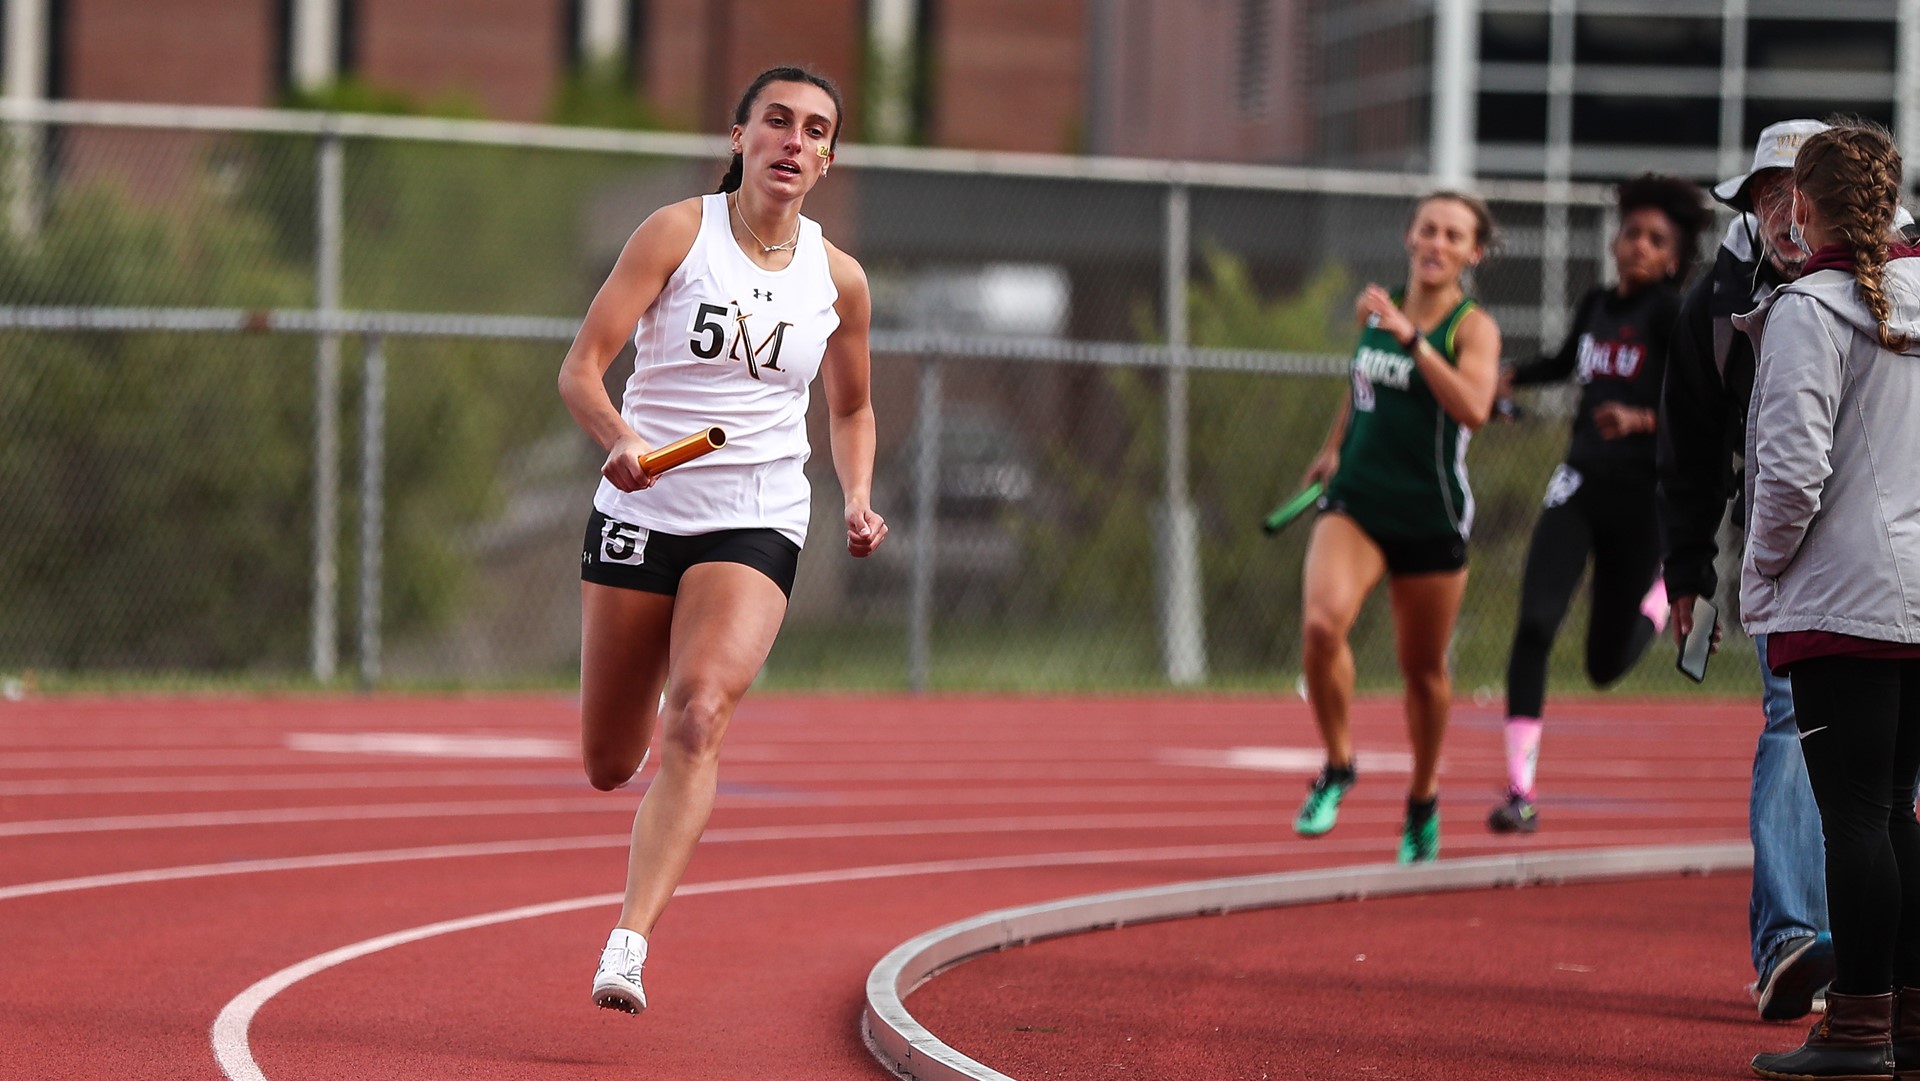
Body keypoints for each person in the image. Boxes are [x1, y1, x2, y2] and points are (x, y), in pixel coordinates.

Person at [555, 66, 886, 1016]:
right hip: (642, 510)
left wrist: (858, 493)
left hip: (757, 515)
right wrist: (619, 438)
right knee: (610, 761)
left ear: (828, 158)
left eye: (815, 129)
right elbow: (582, 368)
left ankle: (628, 941)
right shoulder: (677, 233)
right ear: (738, 136)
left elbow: (853, 406)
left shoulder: (840, 281)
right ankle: (656, 673)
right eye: (776, 121)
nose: (794, 140)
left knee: (698, 715)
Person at [1742, 119, 1920, 1081]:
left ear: (1803, 207)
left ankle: (1857, 1027)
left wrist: (1765, 570)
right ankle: (1908, 1014)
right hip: (1916, 597)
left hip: (1840, 599)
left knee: (1853, 815)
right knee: (1897, 809)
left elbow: (1792, 472)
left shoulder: (1809, 308)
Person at [1660, 118, 1845, 1023]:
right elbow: (1689, 450)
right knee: (1793, 720)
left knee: (1896, 761)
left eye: (1800, 189)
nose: (1786, 210)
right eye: (1769, 193)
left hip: (1896, 546)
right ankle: (1789, 941)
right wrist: (1689, 569)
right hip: (1787, 545)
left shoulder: (1897, 274)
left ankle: (1883, 956)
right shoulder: (1717, 305)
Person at [1487, 175, 1712, 834]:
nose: (1638, 245)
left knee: (1604, 665)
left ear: (1674, 258)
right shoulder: (1595, 306)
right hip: (1580, 483)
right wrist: (1504, 377)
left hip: (1642, 497)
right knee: (1534, 624)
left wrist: (1640, 421)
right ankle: (1519, 790)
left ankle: (1659, 594)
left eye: (1655, 239)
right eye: (1631, 232)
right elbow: (1561, 363)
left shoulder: (1673, 315)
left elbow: (1699, 412)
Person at [1292, 191, 1503, 863]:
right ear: (1411, 237)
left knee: (1423, 671)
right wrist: (1332, 447)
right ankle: (1337, 763)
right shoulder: (1375, 312)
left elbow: (1472, 407)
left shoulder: (1473, 328)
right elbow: (1363, 391)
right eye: (1429, 229)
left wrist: (1412, 338)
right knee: (1323, 624)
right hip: (1357, 500)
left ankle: (1422, 795)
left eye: (1453, 234)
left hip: (1429, 513)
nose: (1437, 242)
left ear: (1473, 252)